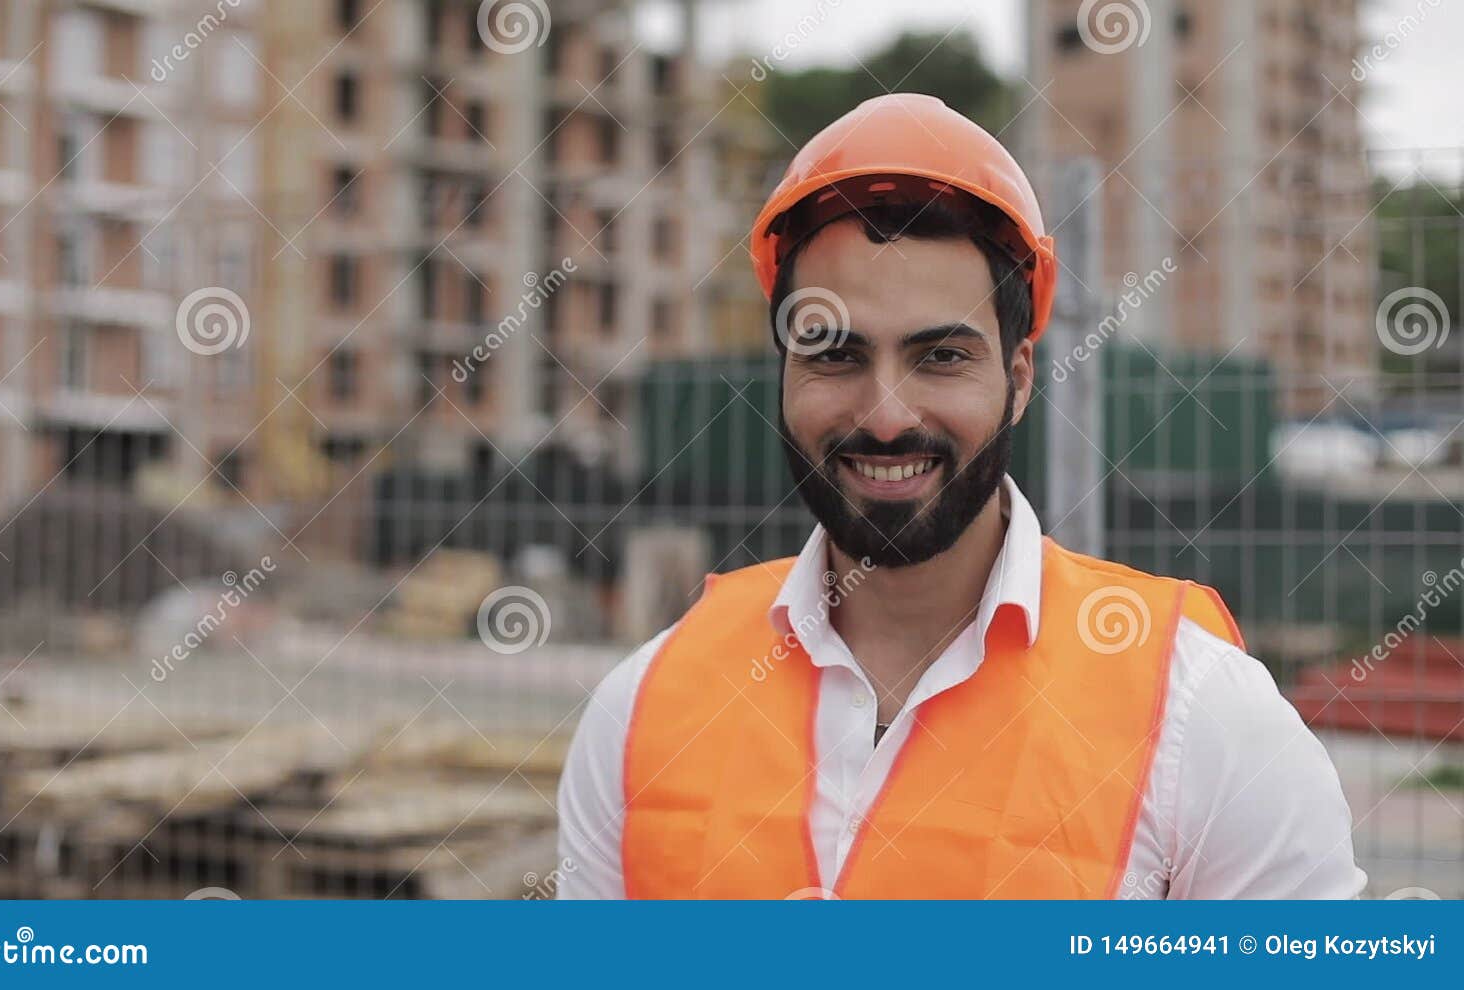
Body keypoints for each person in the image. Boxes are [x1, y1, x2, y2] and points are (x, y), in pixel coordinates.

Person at [555, 94, 1364, 899]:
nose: (886, 418)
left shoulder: (1202, 716)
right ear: (785, 375)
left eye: (941, 357)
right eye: (834, 355)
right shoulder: (641, 709)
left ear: (1019, 380)